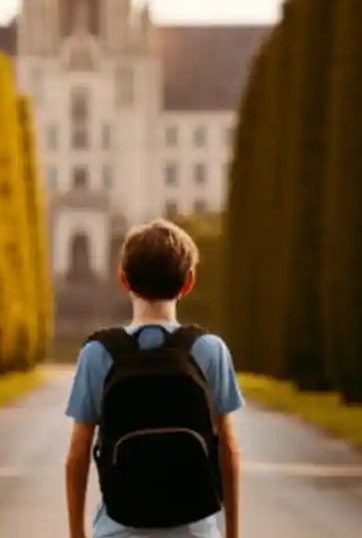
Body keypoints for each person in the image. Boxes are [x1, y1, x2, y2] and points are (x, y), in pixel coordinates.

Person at [65, 219, 244, 538]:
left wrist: (77, 534)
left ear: (124, 279)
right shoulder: (209, 350)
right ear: (188, 282)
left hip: (118, 529)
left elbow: (77, 455)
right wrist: (232, 534)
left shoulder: (99, 353)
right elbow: (227, 450)